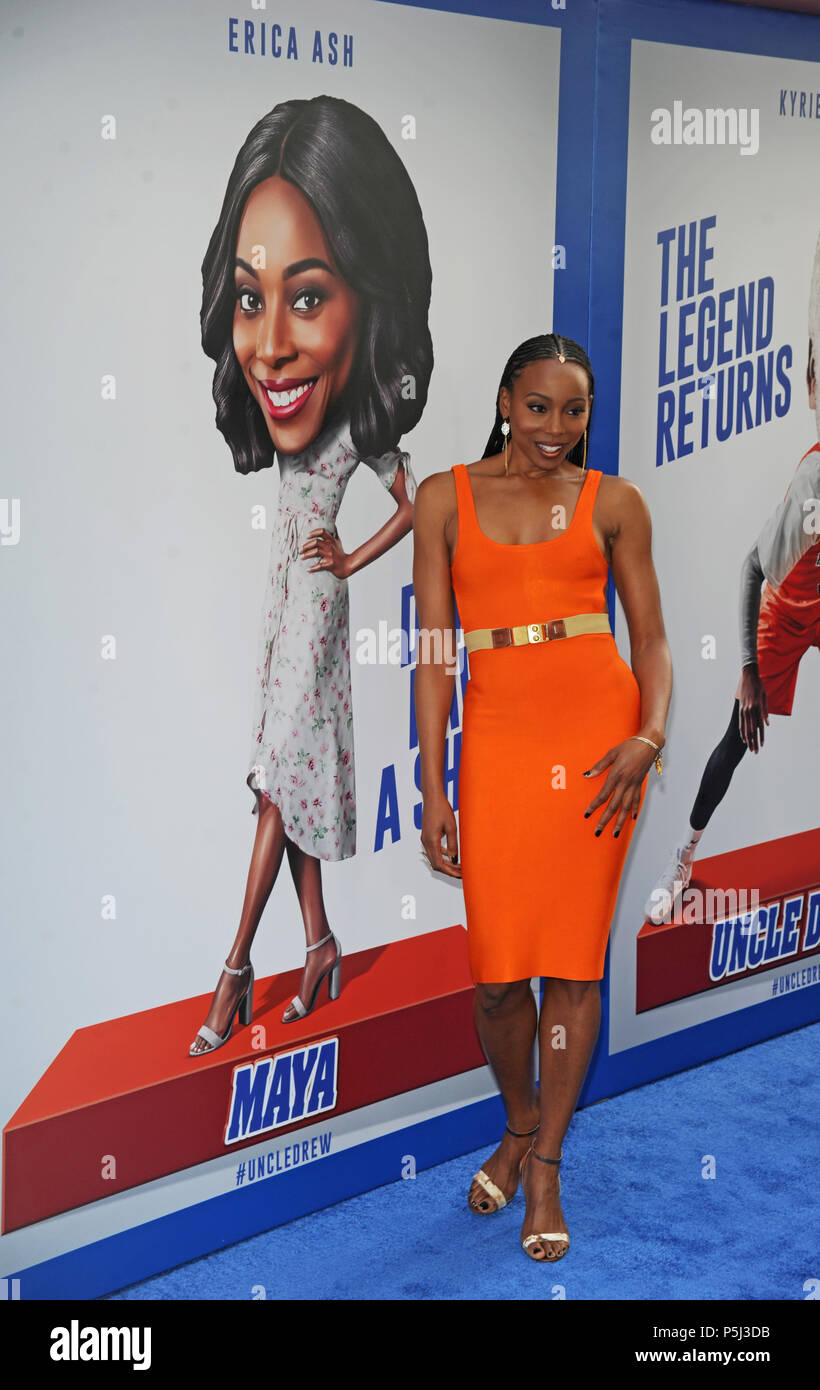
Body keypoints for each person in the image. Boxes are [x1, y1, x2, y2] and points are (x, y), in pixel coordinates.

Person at [413, 332, 671, 1260]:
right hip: (498, 742)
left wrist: (648, 736)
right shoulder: (445, 498)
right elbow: (438, 653)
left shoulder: (617, 504)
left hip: (600, 746)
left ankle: (548, 1162)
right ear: (503, 399)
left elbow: (650, 640)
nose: (554, 428)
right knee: (495, 980)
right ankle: (518, 1123)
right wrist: (431, 776)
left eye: (574, 410)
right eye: (537, 407)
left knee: (570, 965)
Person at [190, 96, 433, 1054]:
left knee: (276, 779)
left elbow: (415, 506)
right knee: (276, 786)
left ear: (368, 297)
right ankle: (322, 943)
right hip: (282, 600)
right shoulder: (290, 410)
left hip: (318, 602)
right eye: (252, 298)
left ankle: (235, 967)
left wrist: (351, 560)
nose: (273, 343)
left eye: (308, 296)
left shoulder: (357, 429)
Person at [646, 231, 820, 923]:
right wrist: (748, 668)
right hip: (787, 606)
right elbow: (752, 566)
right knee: (737, 737)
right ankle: (682, 856)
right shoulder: (815, 483)